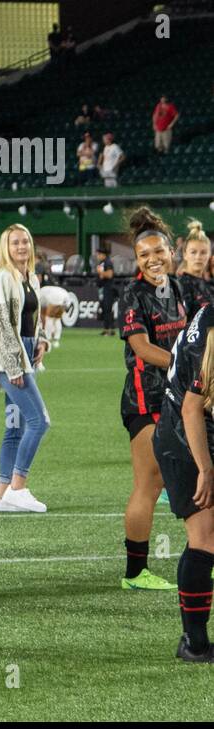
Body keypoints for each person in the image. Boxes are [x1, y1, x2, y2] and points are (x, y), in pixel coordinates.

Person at [117, 207, 186, 591]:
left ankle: (203, 554)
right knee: (150, 482)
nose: (153, 259)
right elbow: (142, 349)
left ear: (170, 252)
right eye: (144, 255)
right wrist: (185, 365)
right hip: (146, 399)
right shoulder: (133, 294)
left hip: (180, 397)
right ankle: (135, 573)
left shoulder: (178, 289)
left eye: (158, 251)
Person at [151, 299, 214, 661]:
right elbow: (192, 407)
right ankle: (194, 643)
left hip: (201, 424)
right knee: (205, 538)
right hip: (184, 436)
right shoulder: (210, 336)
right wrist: (205, 469)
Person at [0, 223, 51, 514]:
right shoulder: (2, 277)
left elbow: (32, 317)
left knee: (14, 428)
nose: (21, 247)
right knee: (39, 421)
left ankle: (3, 495)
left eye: (25, 241)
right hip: (9, 359)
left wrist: (42, 341)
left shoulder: (30, 277)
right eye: (15, 243)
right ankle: (18, 487)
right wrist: (13, 366)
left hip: (22, 351)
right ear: (6, 248)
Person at [177, 220, 213, 316]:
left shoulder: (210, 286)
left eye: (203, 252)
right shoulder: (179, 286)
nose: (198, 257)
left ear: (209, 255)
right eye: (193, 252)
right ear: (185, 254)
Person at [95, 247, 117, 335]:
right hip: (103, 288)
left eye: (98, 254)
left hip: (108, 289)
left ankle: (110, 329)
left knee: (107, 308)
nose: (97, 256)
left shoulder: (108, 262)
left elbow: (110, 274)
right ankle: (107, 329)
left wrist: (101, 273)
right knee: (104, 308)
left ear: (103, 254)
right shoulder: (102, 263)